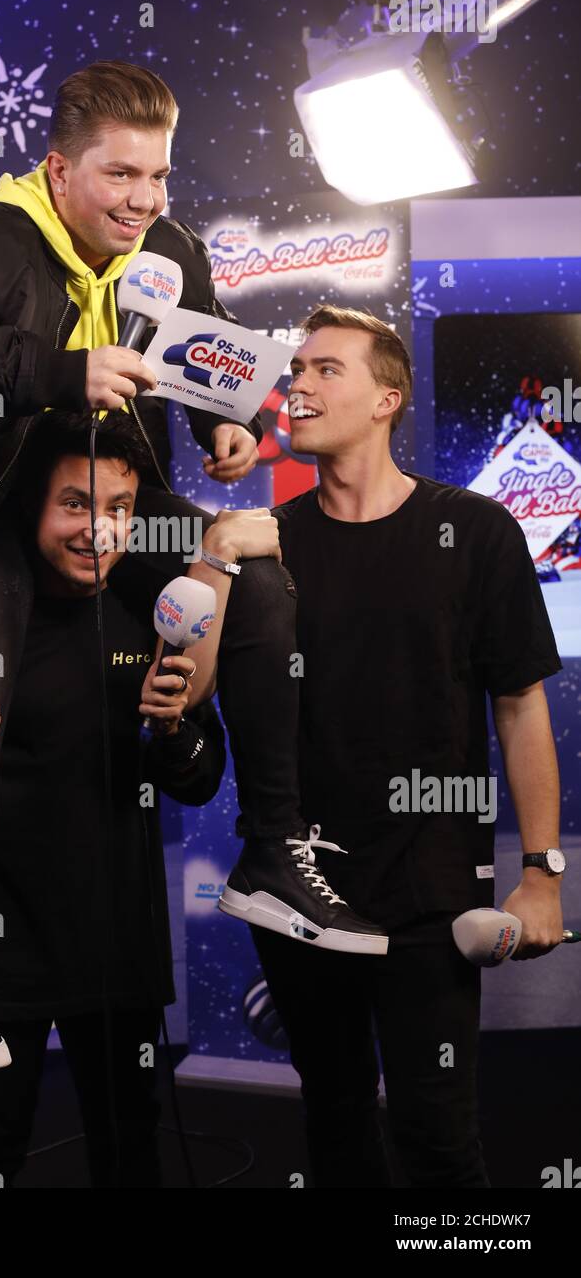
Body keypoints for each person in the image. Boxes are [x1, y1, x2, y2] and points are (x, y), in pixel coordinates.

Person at [0, 62, 385, 1083]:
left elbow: (205, 359)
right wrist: (60, 368)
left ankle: (271, 850)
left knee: (263, 578)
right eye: (119, 175)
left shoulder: (169, 249)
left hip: (119, 508)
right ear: (59, 170)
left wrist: (224, 426)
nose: (143, 200)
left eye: (159, 176)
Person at [199, 303, 566, 1187]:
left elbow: (521, 707)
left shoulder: (476, 532)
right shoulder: (268, 541)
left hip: (430, 893)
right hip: (302, 893)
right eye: (298, 371)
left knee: (439, 1139)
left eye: (328, 369)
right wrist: (215, 555)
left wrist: (544, 872)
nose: (300, 383)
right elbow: (193, 687)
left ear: (387, 398)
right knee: (335, 1124)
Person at [0, 410, 242, 1184]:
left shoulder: (149, 613)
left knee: (132, 1153)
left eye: (119, 511)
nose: (98, 530)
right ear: (33, 505)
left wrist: (171, 730)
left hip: (116, 943)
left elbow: (199, 780)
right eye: (75, 505)